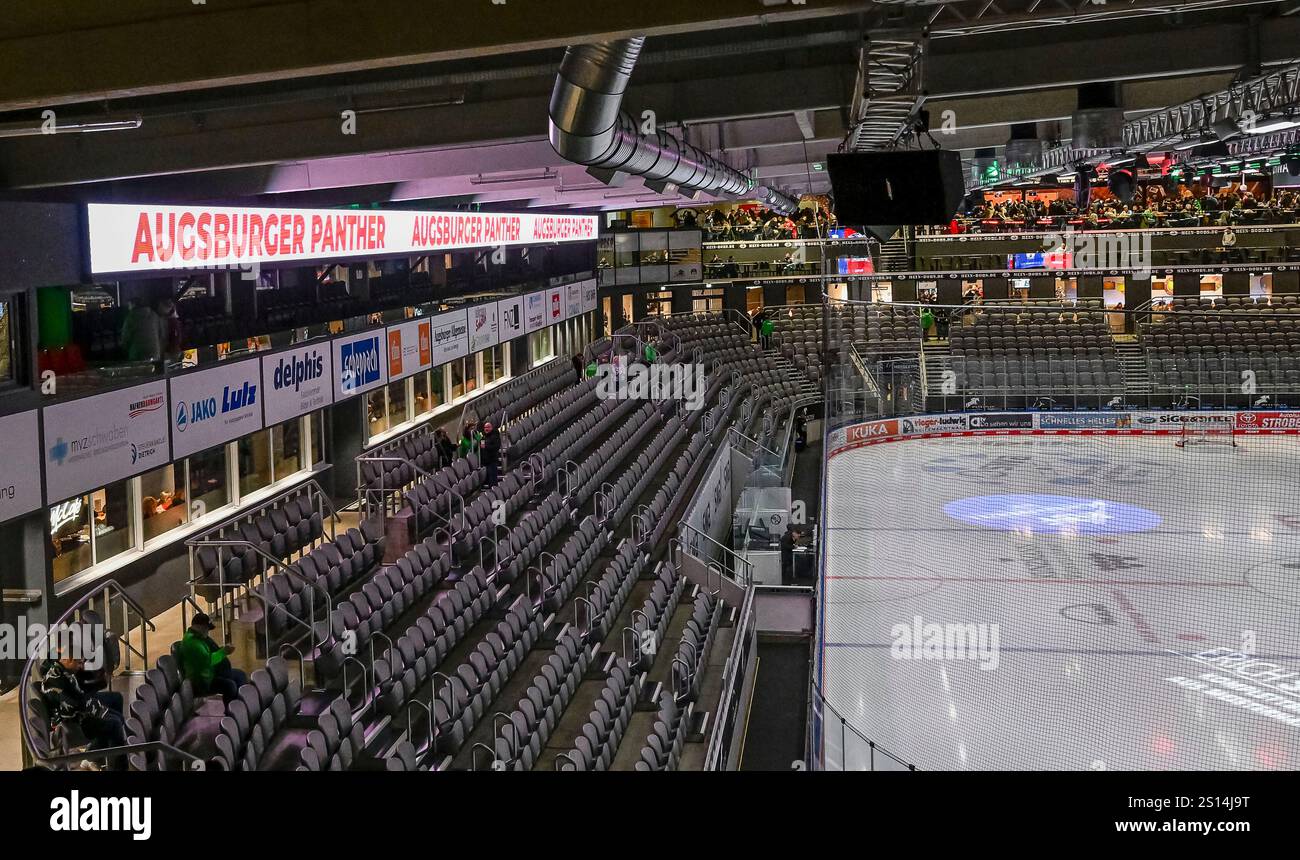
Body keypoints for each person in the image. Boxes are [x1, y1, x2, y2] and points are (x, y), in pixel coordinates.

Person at [40, 650, 127, 770]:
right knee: (115, 723)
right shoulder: (56, 680)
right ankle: (117, 768)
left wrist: (95, 684)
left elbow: (80, 692)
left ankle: (93, 755)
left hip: (80, 709)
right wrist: (98, 710)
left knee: (116, 699)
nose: (81, 666)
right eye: (79, 663)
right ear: (68, 659)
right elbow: (74, 707)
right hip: (71, 722)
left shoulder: (66, 671)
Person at [176, 612, 247, 704]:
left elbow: (209, 654)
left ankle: (240, 706)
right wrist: (224, 652)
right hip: (202, 681)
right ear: (199, 627)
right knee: (230, 685)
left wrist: (222, 650)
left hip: (210, 673)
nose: (207, 631)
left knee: (240, 675)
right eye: (206, 628)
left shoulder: (200, 638)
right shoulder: (192, 643)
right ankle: (232, 712)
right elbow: (208, 660)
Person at [119, 298, 164, 363]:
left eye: (129, 304)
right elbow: (161, 333)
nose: (128, 307)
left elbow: (125, 338)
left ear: (133, 304)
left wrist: (125, 348)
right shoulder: (154, 315)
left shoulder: (131, 317)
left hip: (138, 354)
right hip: (155, 352)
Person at [480, 421, 502, 487]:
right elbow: (482, 446)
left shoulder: (495, 436)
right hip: (485, 461)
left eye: (488, 427)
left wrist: (486, 446)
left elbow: (496, 447)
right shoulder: (483, 437)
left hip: (492, 460)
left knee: (493, 479)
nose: (486, 429)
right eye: (485, 427)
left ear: (491, 428)